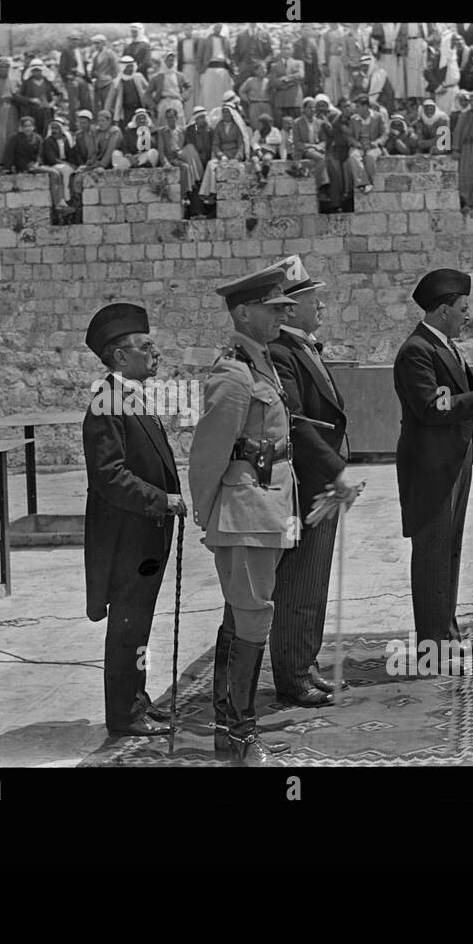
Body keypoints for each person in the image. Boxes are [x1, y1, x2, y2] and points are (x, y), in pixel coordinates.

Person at [188, 262, 300, 766]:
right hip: (243, 510)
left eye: (284, 307)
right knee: (253, 620)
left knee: (243, 617)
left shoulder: (262, 363)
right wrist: (207, 512)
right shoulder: (233, 372)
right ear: (243, 312)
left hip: (264, 504)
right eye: (273, 308)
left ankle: (227, 732)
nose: (283, 315)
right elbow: (208, 451)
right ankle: (240, 736)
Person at [394, 269, 473, 654]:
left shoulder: (443, 345)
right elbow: (433, 407)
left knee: (449, 551)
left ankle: (446, 632)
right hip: (431, 471)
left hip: (453, 464)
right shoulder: (417, 351)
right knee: (433, 555)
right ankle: (433, 646)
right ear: (443, 310)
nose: (468, 315)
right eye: (463, 308)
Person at [81, 303, 184, 738]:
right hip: (127, 537)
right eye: (145, 346)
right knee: (127, 626)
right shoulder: (106, 404)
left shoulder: (130, 396)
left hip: (145, 534)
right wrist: (161, 500)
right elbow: (109, 476)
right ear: (120, 356)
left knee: (138, 622)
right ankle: (123, 714)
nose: (154, 352)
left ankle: (137, 700)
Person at [267, 271, 356, 706]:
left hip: (320, 482)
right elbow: (298, 424)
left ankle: (306, 662)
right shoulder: (282, 352)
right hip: (305, 484)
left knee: (315, 580)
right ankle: (291, 675)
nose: (321, 306)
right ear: (290, 305)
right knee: (299, 583)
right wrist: (333, 470)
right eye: (313, 299)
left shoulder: (302, 347)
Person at [197, 23, 234, 113]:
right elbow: (200, 56)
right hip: (209, 69)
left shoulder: (225, 40)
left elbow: (230, 56)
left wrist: (232, 71)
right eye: (216, 27)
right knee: (209, 95)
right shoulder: (206, 40)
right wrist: (200, 71)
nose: (218, 28)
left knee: (222, 95)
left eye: (220, 27)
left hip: (223, 70)